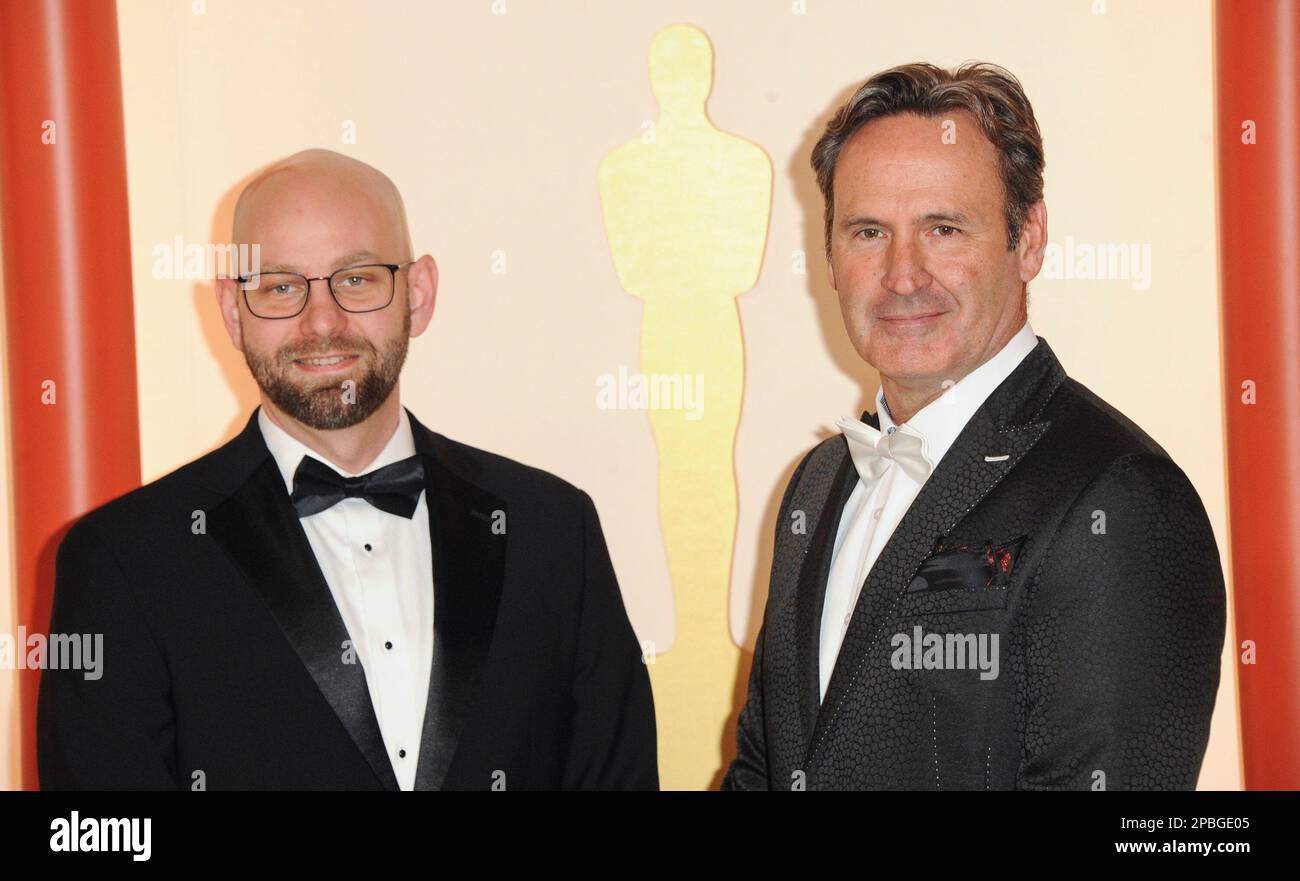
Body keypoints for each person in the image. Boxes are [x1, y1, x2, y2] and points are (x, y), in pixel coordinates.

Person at [38, 149, 657, 790]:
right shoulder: (125, 560)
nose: (322, 322)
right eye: (280, 287)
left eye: (357, 279)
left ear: (418, 295)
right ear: (231, 311)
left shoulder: (553, 530)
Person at [723, 63, 1225, 790]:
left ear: (1029, 238)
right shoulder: (816, 484)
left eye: (943, 228)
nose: (902, 275)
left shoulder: (1119, 497)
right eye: (868, 232)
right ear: (828, 256)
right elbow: (764, 767)